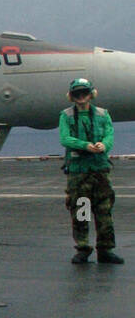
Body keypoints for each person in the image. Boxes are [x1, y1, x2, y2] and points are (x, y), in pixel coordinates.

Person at [60, 77, 122, 264]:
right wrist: (86, 145)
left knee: (104, 210)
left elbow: (109, 134)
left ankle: (105, 249)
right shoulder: (67, 115)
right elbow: (65, 138)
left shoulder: (103, 114)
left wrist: (104, 145)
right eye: (77, 93)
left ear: (91, 94)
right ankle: (83, 248)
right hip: (79, 171)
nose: (81, 96)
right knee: (81, 209)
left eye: (84, 92)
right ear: (71, 96)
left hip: (99, 169)